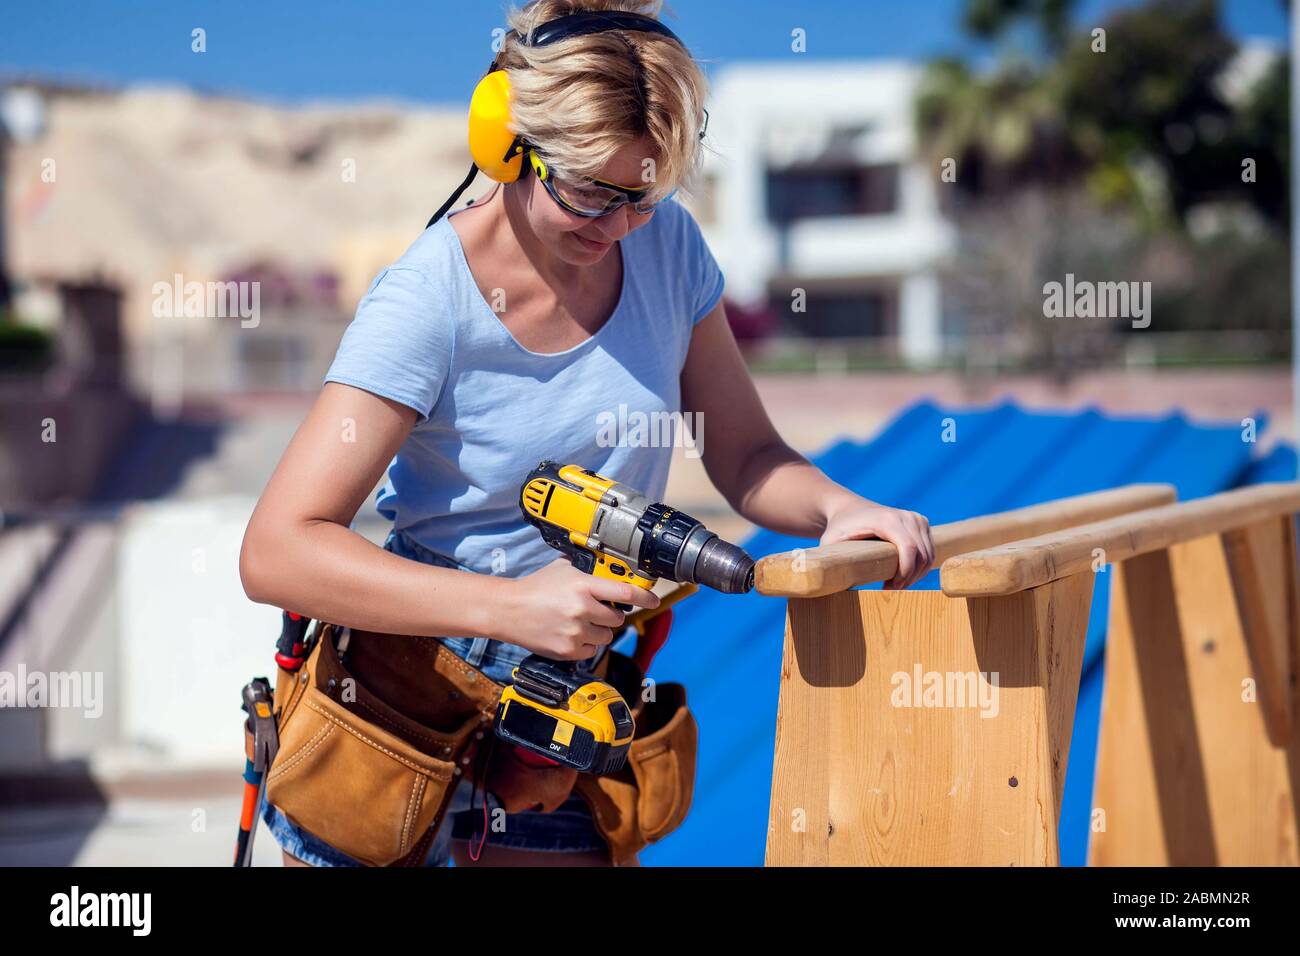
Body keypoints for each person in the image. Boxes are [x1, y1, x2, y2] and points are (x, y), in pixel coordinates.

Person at [239, 0, 935, 867]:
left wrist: (837, 508)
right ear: (507, 143)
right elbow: (276, 551)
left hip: (572, 711)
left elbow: (747, 454)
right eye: (590, 193)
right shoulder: (426, 303)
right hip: (404, 707)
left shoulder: (668, 250)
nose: (616, 228)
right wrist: (512, 608)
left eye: (642, 197)